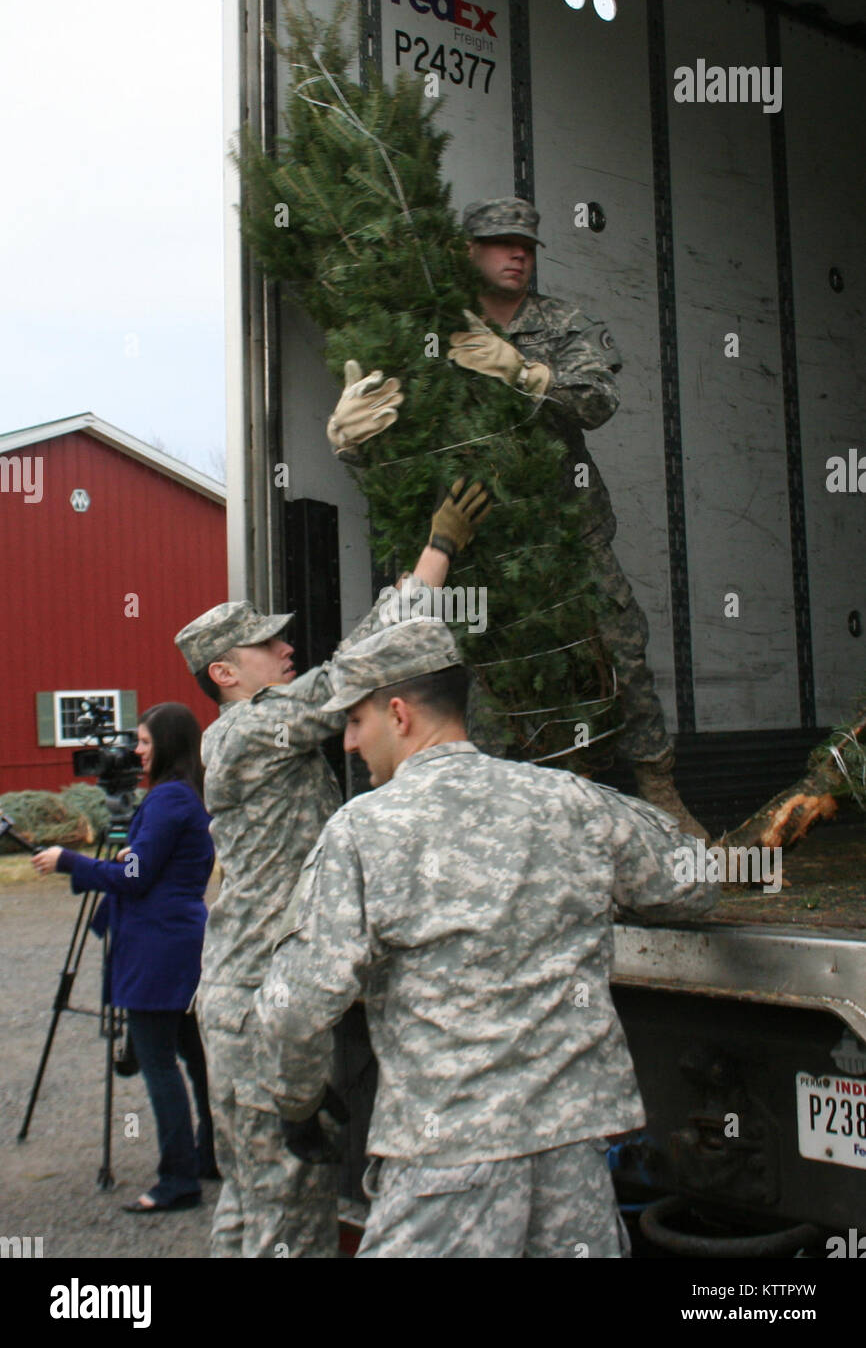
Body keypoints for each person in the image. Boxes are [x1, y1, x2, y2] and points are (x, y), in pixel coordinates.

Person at [254, 617, 720, 1259]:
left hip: (446, 1164)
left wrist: (298, 1102)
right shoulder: (568, 800)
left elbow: (295, 1007)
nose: (351, 743)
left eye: (356, 722)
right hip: (574, 1157)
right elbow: (695, 881)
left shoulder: (362, 831)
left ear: (399, 713)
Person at [174, 420, 491, 1258]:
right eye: (266, 643)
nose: (286, 645)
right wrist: (433, 562)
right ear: (225, 675)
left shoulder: (254, 733)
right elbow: (349, 674)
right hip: (257, 1016)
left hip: (245, 1004)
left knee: (250, 1205)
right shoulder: (241, 733)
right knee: (289, 1217)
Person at [447, 196, 708, 840]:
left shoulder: (564, 323)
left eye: (528, 246)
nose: (518, 255)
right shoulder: (442, 329)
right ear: (469, 252)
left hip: (571, 526)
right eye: (503, 243)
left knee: (624, 651)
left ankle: (659, 787)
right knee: (490, 670)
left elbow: (597, 402)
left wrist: (528, 376)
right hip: (488, 535)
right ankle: (491, 819)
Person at [33, 703, 216, 1213]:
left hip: (157, 949)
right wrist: (127, 856)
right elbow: (147, 866)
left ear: (167, 747)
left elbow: (134, 879)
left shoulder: (166, 801)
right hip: (179, 944)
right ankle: (209, 1153)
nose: (135, 752)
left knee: (159, 1064)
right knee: (195, 1060)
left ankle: (178, 1180)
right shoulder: (186, 798)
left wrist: (67, 860)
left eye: (144, 743)